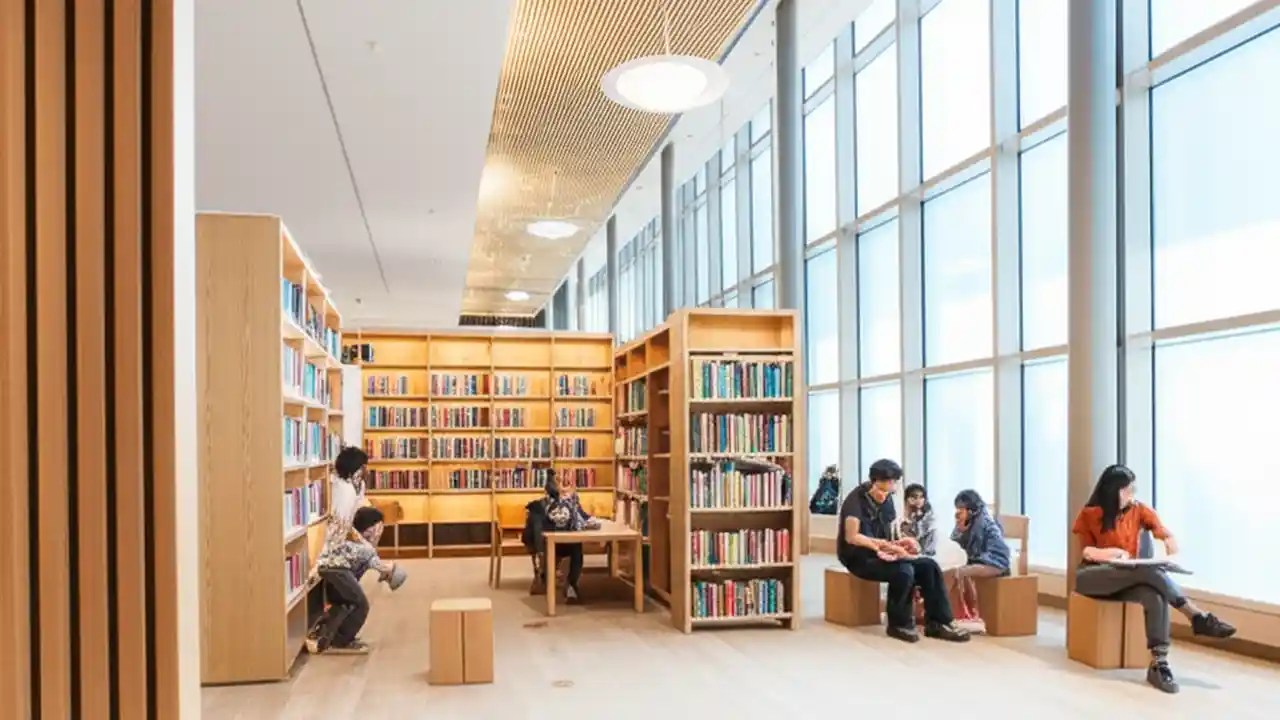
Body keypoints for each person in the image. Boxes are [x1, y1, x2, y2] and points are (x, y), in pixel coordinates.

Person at [1072, 464, 1236, 694]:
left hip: (1128, 575)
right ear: (1113, 490)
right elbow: (1087, 552)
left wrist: (1168, 539)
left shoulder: (1138, 510)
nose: (1132, 495)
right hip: (1093, 577)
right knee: (1148, 572)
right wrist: (1113, 553)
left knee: (1155, 595)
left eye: (1133, 490)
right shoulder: (1089, 514)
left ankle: (1159, 663)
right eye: (1127, 490)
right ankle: (1197, 616)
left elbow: (1159, 528)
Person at [836, 459, 969, 643]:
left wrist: (902, 543)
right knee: (903, 571)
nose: (885, 495)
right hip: (858, 557)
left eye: (890, 490)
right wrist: (880, 546)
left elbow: (889, 535)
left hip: (882, 552)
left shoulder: (888, 501)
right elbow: (852, 537)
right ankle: (899, 624)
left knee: (929, 566)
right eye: (881, 490)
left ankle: (939, 623)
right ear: (873, 482)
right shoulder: (855, 502)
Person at [307, 506, 401, 654]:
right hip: (338, 571)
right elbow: (380, 565)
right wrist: (389, 569)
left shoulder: (352, 536)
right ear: (371, 529)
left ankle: (328, 637)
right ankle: (341, 641)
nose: (381, 532)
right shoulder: (365, 547)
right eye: (380, 527)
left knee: (342, 604)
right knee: (360, 604)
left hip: (327, 569)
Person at [945, 489, 1011, 625]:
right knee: (952, 570)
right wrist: (960, 530)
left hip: (995, 563)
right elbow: (955, 547)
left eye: (961, 509)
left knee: (959, 572)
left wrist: (973, 560)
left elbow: (999, 552)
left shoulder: (988, 525)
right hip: (979, 560)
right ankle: (954, 611)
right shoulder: (966, 523)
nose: (957, 513)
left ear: (970, 510)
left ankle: (958, 613)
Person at [541, 474, 600, 603]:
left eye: (569, 488)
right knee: (574, 548)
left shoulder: (573, 503)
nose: (566, 492)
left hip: (570, 541)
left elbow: (584, 517)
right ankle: (554, 579)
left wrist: (592, 521)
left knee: (576, 548)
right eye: (562, 488)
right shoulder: (549, 504)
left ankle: (571, 584)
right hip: (553, 542)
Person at [898, 483, 937, 557]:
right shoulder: (901, 515)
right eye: (914, 497)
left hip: (925, 552)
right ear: (906, 499)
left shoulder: (928, 516)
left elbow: (923, 535)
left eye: (921, 497)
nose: (918, 500)